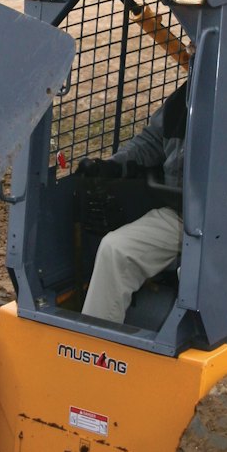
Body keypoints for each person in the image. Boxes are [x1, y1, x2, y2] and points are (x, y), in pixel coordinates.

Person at [80, 80, 189, 326]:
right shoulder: (187, 97)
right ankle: (95, 350)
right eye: (192, 44)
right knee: (115, 249)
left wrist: (224, 199)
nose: (191, 49)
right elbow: (150, 143)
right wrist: (114, 165)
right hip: (183, 215)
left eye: (197, 44)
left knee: (198, 273)